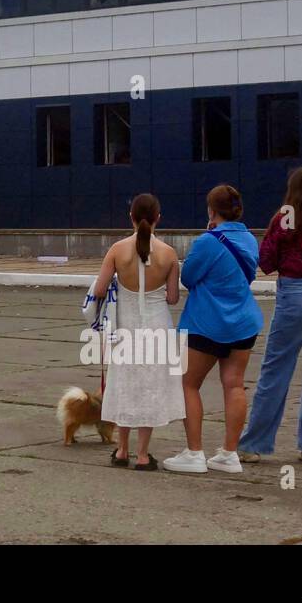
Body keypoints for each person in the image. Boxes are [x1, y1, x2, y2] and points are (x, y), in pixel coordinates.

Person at [239, 167, 302, 465]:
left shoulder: (283, 220)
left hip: (295, 294)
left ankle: (254, 444)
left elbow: (266, 262)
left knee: (276, 370)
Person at [162, 184, 263, 475]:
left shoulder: (208, 241)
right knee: (234, 384)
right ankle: (229, 454)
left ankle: (194, 452)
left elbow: (189, 277)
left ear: (211, 210)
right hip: (243, 323)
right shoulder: (249, 239)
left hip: (205, 324)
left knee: (188, 383)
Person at [92, 193, 185, 470]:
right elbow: (172, 298)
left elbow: (98, 290)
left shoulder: (117, 250)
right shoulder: (169, 254)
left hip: (125, 328)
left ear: (130, 217)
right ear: (158, 218)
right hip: (157, 328)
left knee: (124, 386)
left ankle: (122, 450)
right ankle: (143, 455)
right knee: (150, 388)